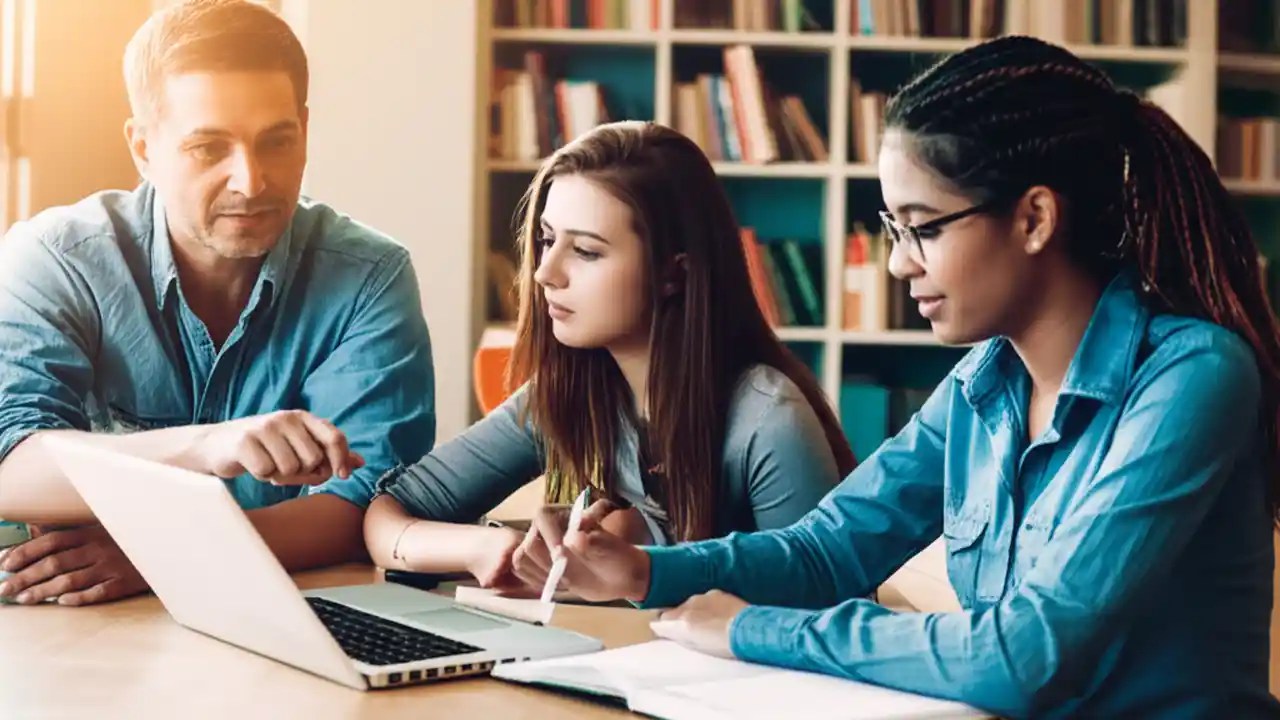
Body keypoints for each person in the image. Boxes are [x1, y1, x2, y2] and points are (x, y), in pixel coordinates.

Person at [538, 37, 1280, 718]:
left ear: (1033, 219)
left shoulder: (1192, 377)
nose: (898, 263)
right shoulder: (982, 384)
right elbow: (827, 550)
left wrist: (751, 629)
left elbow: (1027, 656)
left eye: (924, 228)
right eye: (894, 230)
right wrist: (642, 570)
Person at [0, 0, 435, 606]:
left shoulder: (369, 276)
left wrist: (166, 555)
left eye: (276, 142)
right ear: (144, 148)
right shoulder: (55, 258)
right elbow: (7, 467)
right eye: (209, 148)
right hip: (80, 623)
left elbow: (366, 502)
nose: (251, 181)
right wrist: (210, 446)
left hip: (283, 616)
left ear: (304, 130)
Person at [364, 121, 854, 595]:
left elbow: (823, 600)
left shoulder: (769, 420)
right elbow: (389, 512)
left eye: (587, 251)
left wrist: (639, 563)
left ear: (673, 274)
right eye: (547, 240)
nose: (545, 273)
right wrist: (487, 546)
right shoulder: (569, 393)